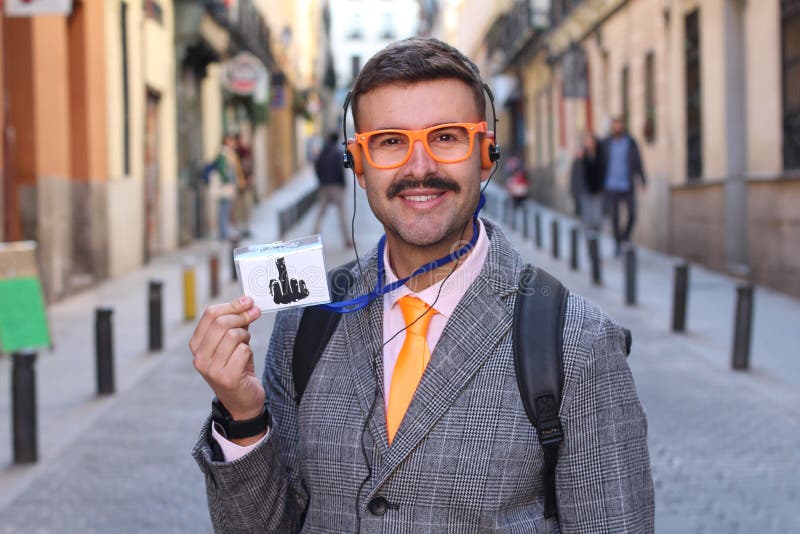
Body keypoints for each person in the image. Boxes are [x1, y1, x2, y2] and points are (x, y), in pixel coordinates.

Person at [190, 38, 654, 532]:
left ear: (486, 155)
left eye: (446, 137)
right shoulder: (307, 323)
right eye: (390, 141)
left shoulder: (576, 343)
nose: (419, 167)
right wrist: (244, 419)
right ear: (359, 166)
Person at [601, 117, 646, 255]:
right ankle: (617, 244)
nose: (617, 127)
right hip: (611, 185)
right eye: (615, 125)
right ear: (612, 127)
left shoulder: (631, 142)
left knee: (633, 213)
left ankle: (625, 236)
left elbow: (638, 161)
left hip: (627, 185)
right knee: (614, 218)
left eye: (620, 124)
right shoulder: (605, 143)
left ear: (623, 126)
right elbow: (598, 161)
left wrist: (643, 180)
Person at [313, 131, 353, 248]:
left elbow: (317, 167)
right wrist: (343, 185)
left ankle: (313, 239)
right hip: (336, 187)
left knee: (320, 213)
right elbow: (342, 170)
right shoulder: (338, 153)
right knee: (342, 214)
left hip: (324, 186)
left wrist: (321, 180)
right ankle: (347, 240)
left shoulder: (322, 153)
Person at [570, 131, 605, 238]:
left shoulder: (600, 155)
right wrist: (574, 192)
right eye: (587, 142)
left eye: (591, 141)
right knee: (587, 219)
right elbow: (575, 175)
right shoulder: (580, 157)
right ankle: (589, 242)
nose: (589, 144)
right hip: (584, 191)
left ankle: (596, 242)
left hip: (598, 190)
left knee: (597, 219)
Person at [213, 134, 243, 240]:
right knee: (223, 209)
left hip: (229, 185)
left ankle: (225, 230)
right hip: (225, 186)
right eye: (231, 141)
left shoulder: (229, 153)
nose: (233, 143)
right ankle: (223, 232)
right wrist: (227, 181)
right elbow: (222, 169)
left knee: (226, 208)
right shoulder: (223, 153)